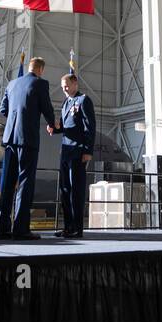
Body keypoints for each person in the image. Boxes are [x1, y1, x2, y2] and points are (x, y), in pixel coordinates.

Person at [0, 56, 59, 239]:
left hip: (9, 139)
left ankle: (3, 229)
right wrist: (52, 123)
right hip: (27, 139)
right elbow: (47, 108)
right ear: (40, 69)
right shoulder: (40, 84)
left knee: (7, 184)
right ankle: (21, 229)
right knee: (25, 182)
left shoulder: (12, 84)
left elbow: (3, 109)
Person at [56, 73, 95, 238]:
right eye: (62, 86)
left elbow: (89, 126)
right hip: (65, 152)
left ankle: (77, 228)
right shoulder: (66, 103)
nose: (64, 89)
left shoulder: (83, 100)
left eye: (66, 85)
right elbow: (64, 126)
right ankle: (68, 227)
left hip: (78, 152)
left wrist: (88, 151)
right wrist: (55, 128)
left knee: (76, 191)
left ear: (75, 84)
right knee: (65, 190)